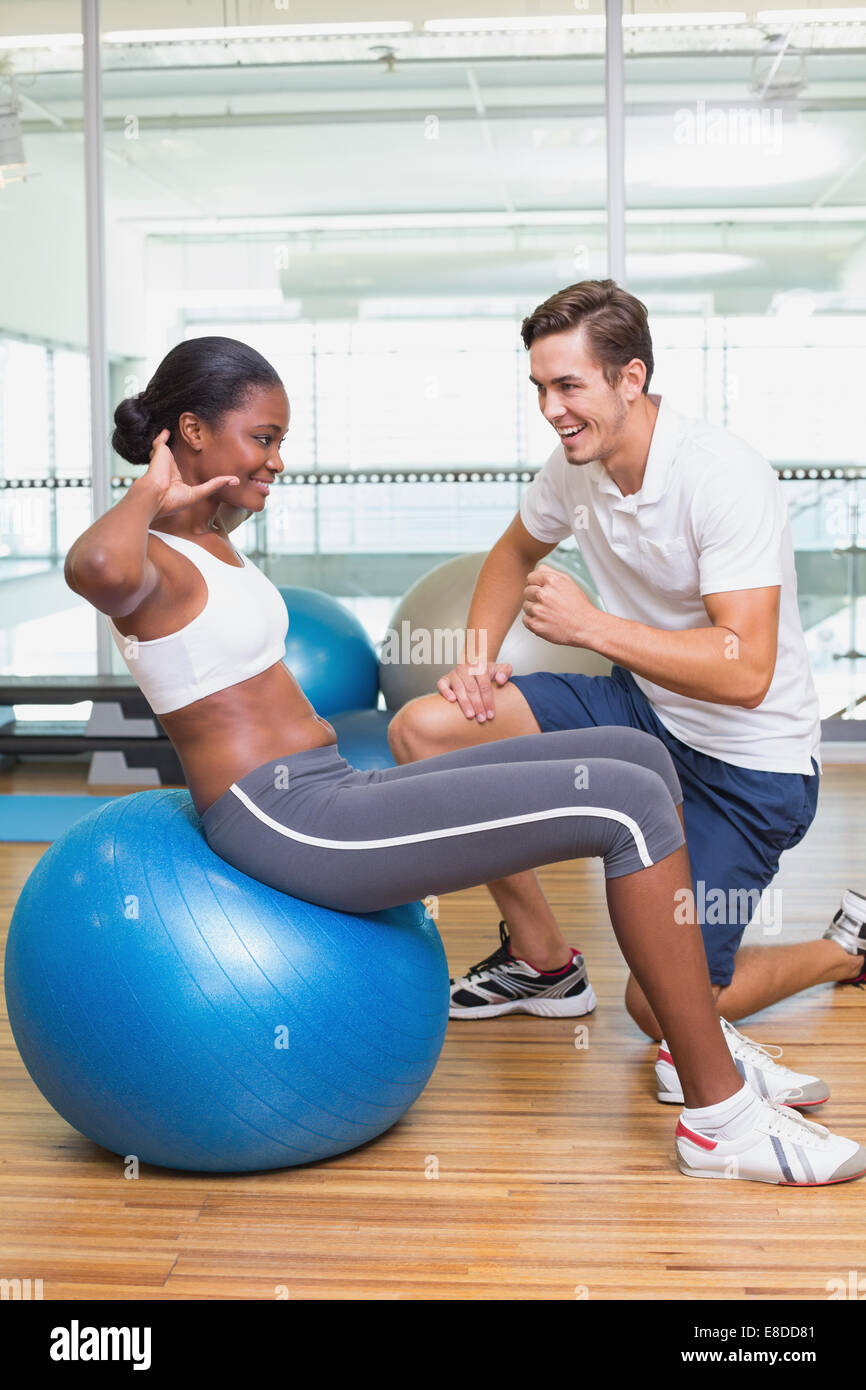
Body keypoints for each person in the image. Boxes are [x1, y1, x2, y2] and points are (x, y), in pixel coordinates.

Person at [63, 335, 864, 1186]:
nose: (278, 460)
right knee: (625, 807)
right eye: (262, 438)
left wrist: (192, 497)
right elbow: (95, 568)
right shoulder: (144, 551)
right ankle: (719, 1117)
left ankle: (685, 1027)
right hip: (284, 819)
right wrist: (152, 484)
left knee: (634, 759)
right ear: (189, 430)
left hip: (328, 790)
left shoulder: (207, 540)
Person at [387, 279, 864, 1106]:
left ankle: (845, 951)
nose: (551, 408)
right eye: (539, 387)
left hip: (751, 768)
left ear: (630, 379)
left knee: (661, 1009)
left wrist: (593, 628)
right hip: (640, 712)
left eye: (567, 385)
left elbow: (746, 672)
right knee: (426, 730)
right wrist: (473, 660)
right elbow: (509, 555)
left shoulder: (721, 476)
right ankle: (543, 961)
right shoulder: (576, 466)